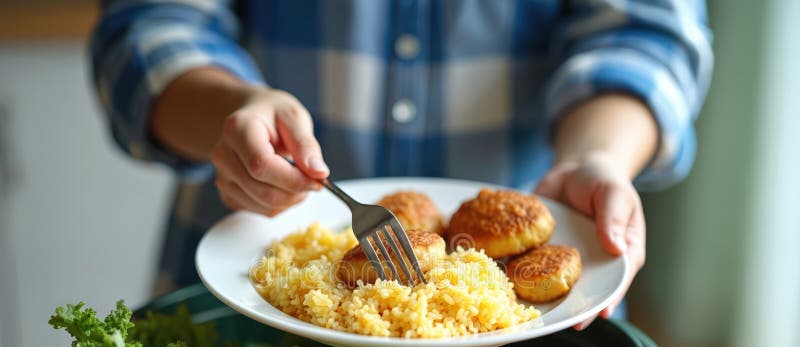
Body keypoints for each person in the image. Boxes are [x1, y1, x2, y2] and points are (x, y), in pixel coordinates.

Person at [90, 0, 712, 329]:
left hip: (538, 322)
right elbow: (148, 25)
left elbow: (648, 32)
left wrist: (599, 156)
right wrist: (234, 111)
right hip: (245, 277)